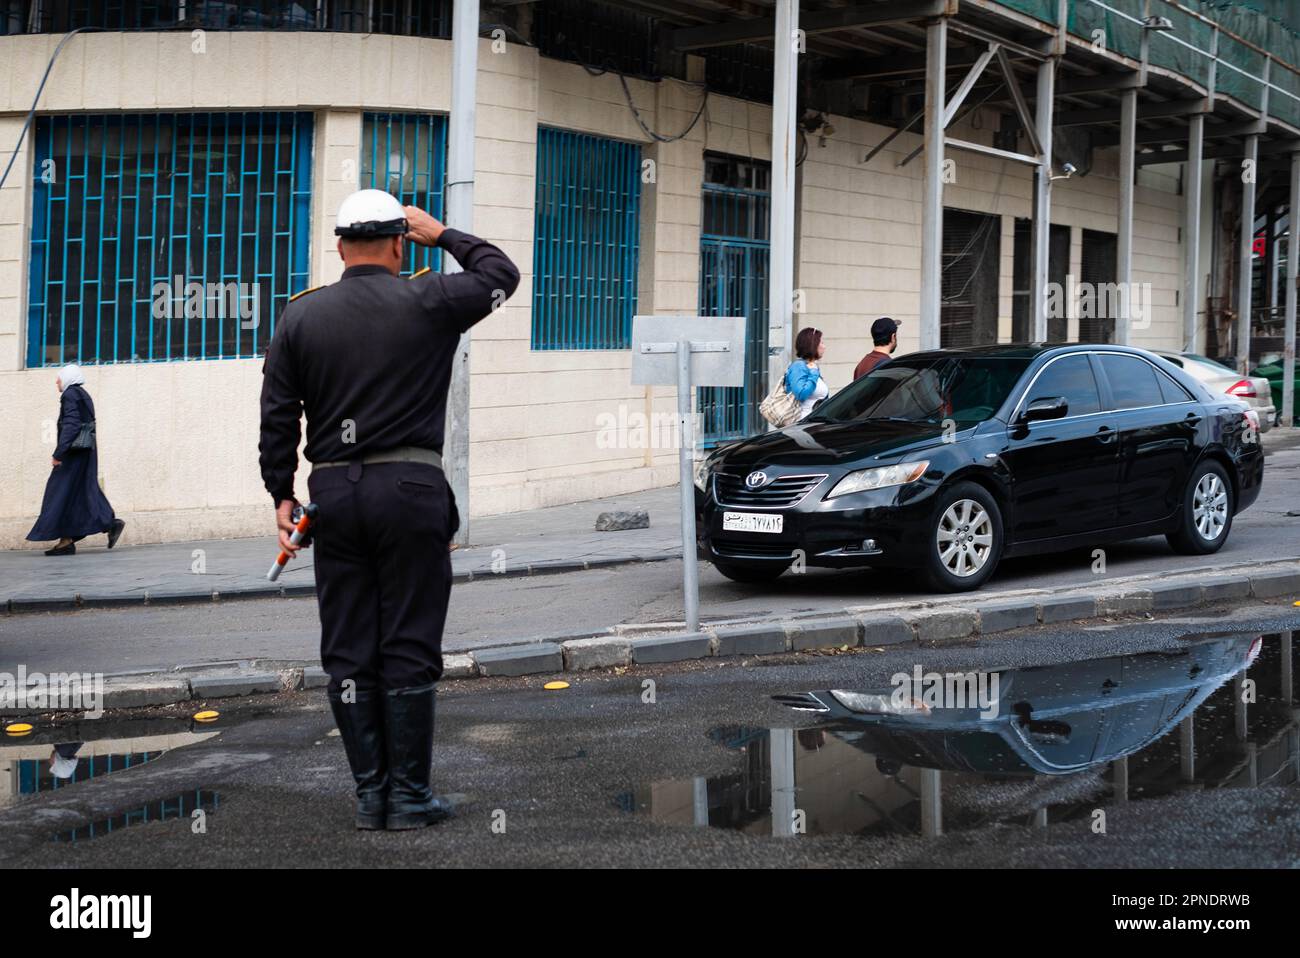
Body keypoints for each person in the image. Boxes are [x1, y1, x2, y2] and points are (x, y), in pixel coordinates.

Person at [259, 189, 519, 831]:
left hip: (335, 497)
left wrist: (282, 494)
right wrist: (446, 234)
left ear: (340, 246)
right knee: (407, 641)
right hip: (410, 490)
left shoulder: (300, 317)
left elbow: (276, 417)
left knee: (348, 648)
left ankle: (369, 796)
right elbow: (501, 275)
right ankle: (408, 797)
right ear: (402, 243)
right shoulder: (430, 300)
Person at [27, 364, 126, 556]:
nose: (57, 381)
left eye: (59, 377)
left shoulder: (70, 394)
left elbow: (71, 425)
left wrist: (58, 454)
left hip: (73, 454)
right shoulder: (83, 394)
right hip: (84, 452)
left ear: (68, 378)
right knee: (79, 492)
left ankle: (107, 524)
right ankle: (67, 541)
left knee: (59, 493)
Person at [786, 327, 828, 422]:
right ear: (813, 345)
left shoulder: (812, 366)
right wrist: (813, 373)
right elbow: (801, 394)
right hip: (802, 423)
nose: (824, 346)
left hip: (814, 422)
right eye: (821, 343)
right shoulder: (799, 366)